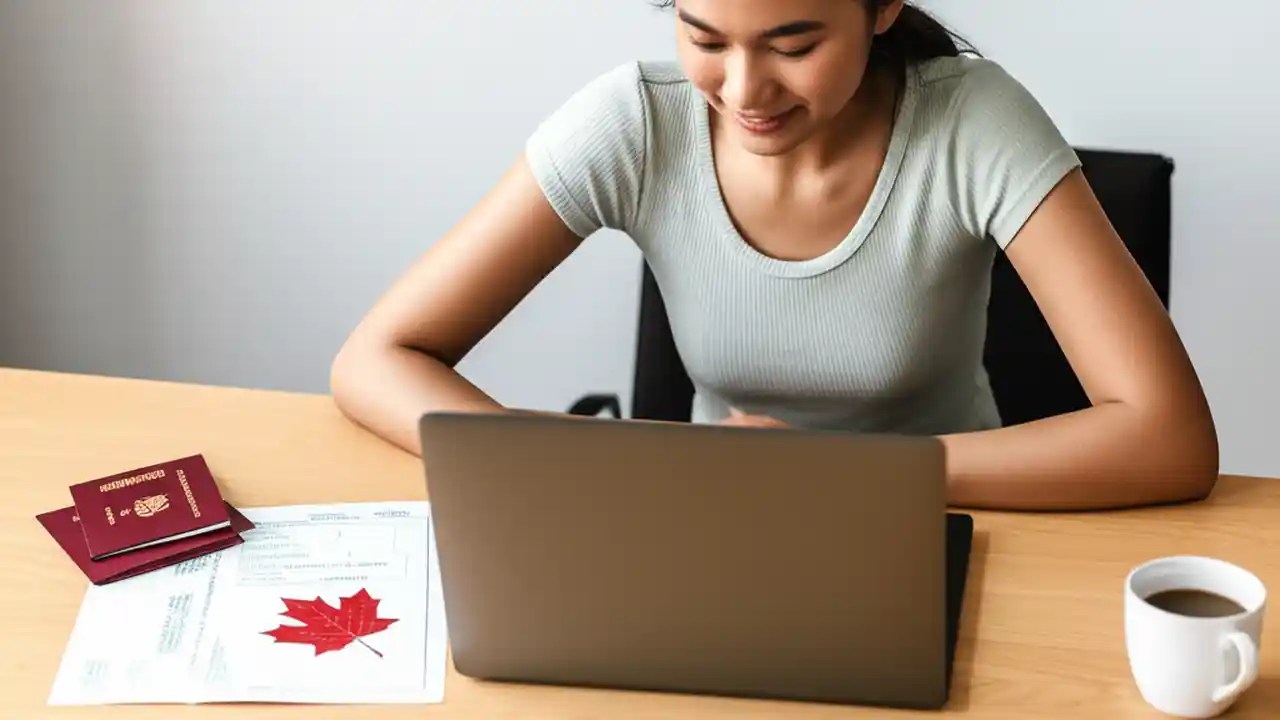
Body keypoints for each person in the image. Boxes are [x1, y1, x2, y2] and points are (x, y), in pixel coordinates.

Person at [330, 0, 1218, 511]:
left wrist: (845, 477)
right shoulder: (635, 124)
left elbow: (1170, 439)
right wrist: (553, 457)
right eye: (706, 38)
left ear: (881, 9)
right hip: (715, 521)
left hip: (943, 519)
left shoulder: (974, 123)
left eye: (793, 45)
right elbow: (375, 360)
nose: (744, 93)